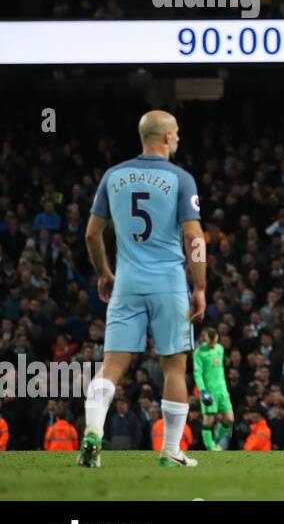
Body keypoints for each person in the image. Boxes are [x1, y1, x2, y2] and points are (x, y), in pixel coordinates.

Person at [80, 110, 205, 469]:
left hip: (127, 282)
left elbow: (91, 234)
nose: (178, 138)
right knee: (174, 368)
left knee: (111, 366)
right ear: (166, 137)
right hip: (169, 284)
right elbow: (194, 237)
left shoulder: (113, 176)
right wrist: (199, 286)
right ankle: (171, 451)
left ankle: (92, 432)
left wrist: (104, 273)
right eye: (176, 132)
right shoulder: (181, 179)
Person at [194, 327, 234, 450]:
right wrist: (202, 391)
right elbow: (197, 373)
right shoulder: (199, 353)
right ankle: (209, 449)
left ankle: (215, 442)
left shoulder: (220, 349)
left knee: (229, 419)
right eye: (210, 340)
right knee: (208, 421)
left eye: (214, 340)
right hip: (209, 391)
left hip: (222, 391)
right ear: (205, 338)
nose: (212, 343)